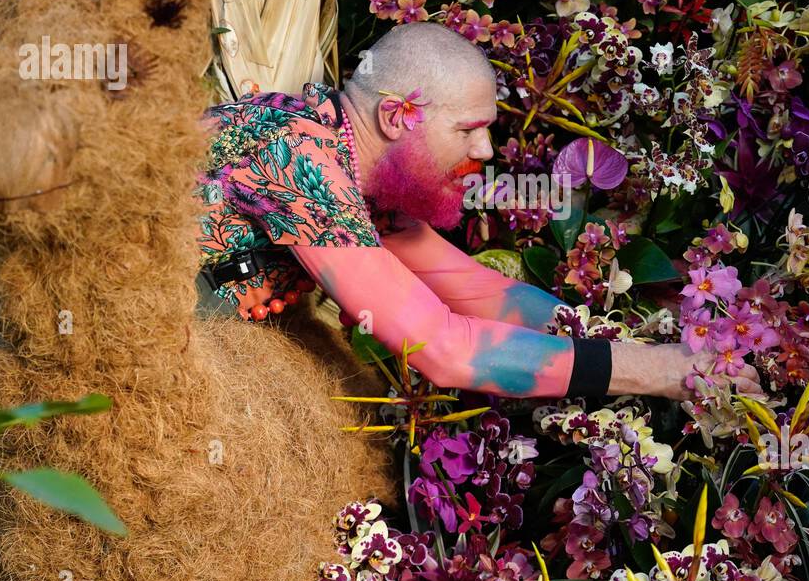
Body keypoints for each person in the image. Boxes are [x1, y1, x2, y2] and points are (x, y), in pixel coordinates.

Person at [196, 20, 701, 401]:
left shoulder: (359, 160)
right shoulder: (297, 159)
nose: (485, 150)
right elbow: (439, 349)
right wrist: (646, 371)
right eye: (466, 130)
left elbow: (482, 291)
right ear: (396, 116)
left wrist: (640, 340)